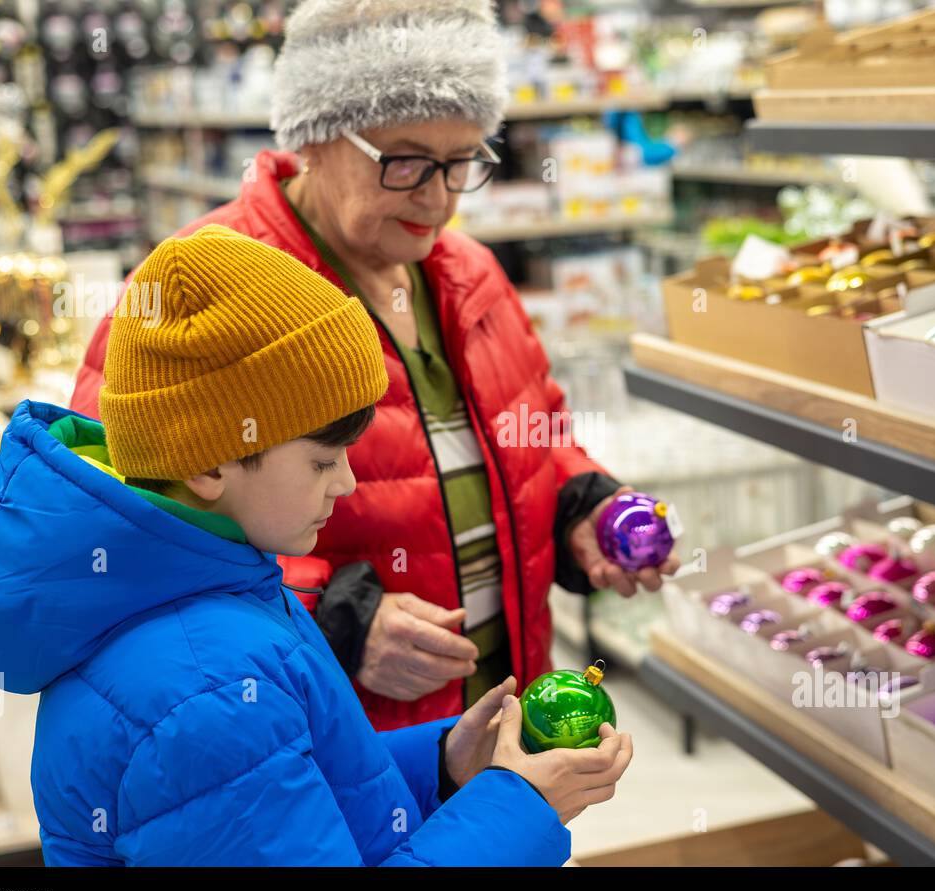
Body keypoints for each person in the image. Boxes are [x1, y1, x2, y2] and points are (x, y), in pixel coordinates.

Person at [69, 0, 680, 730]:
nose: (440, 196)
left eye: (463, 161)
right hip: (325, 747)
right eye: (406, 160)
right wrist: (333, 621)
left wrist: (578, 504)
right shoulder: (198, 289)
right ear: (317, 136)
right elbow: (116, 534)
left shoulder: (470, 273)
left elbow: (535, 432)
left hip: (499, 725)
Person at [0, 226, 631, 865]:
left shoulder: (210, 580)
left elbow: (309, 781)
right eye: (324, 462)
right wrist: (519, 807)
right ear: (210, 465)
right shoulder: (201, 692)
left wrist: (449, 762)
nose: (349, 483)